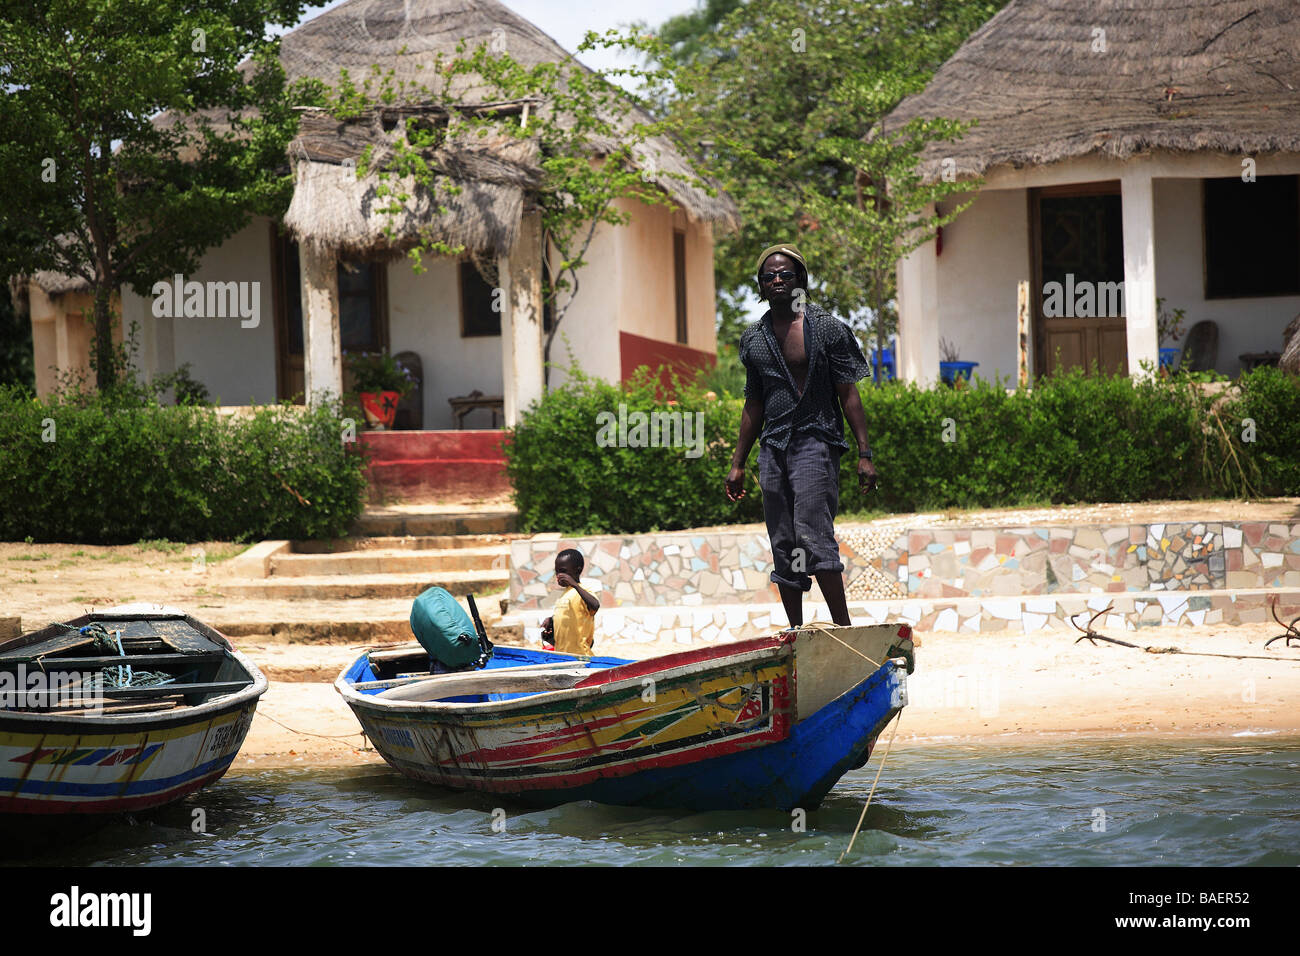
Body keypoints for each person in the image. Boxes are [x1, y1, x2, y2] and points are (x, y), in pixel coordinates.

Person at [724, 242, 877, 628]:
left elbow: (849, 393)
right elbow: (753, 404)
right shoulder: (754, 339)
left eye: (785, 275)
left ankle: (843, 628)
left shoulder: (826, 329)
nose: (777, 280)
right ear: (761, 285)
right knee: (783, 539)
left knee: (812, 530)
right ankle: (794, 630)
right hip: (773, 446)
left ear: (800, 281)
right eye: (769, 276)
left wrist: (865, 453)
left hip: (816, 438)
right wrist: (737, 463)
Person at [540, 548, 600, 655]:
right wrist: (551, 623)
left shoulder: (583, 591)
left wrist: (575, 585)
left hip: (580, 656)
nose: (559, 575)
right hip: (563, 656)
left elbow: (595, 605)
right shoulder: (564, 596)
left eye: (563, 571)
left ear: (578, 570)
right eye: (557, 571)